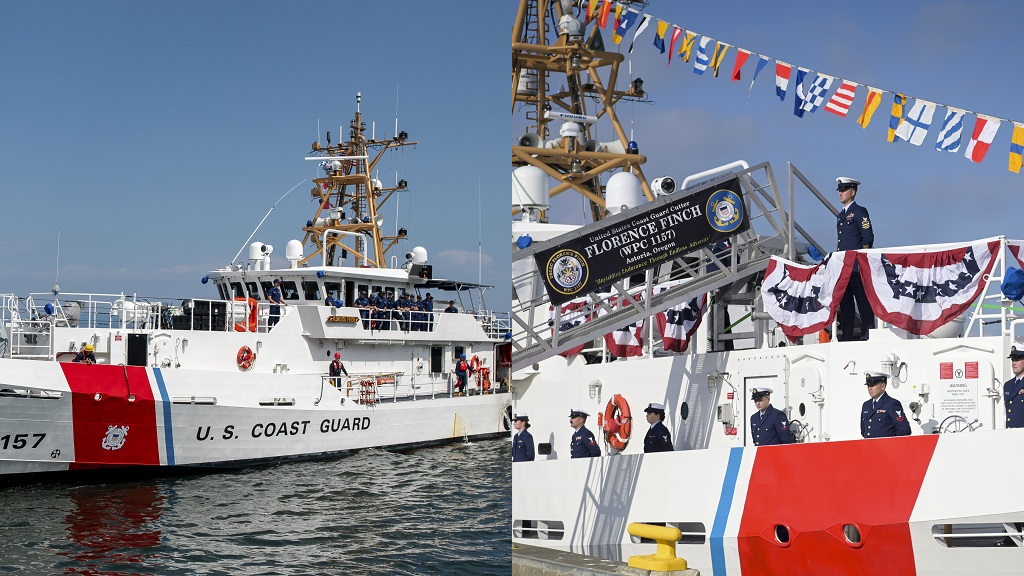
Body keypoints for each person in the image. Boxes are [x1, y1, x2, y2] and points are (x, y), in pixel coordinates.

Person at [835, 177, 875, 342]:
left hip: (857, 266)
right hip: (844, 266)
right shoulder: (840, 216)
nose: (841, 193)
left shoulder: (859, 212)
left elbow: (868, 237)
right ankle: (847, 335)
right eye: (840, 190)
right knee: (845, 304)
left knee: (862, 301)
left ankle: (868, 334)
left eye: (844, 190)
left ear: (853, 191)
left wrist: (860, 258)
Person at [861, 371, 911, 438]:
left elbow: (904, 430)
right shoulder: (866, 405)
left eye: (872, 384)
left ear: (883, 386)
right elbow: (864, 431)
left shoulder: (892, 404)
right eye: (868, 385)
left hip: (886, 447)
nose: (869, 388)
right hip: (870, 447)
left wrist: (891, 445)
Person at [1004, 346, 1024, 428]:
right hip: (1011, 434)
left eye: (1017, 360)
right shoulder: (1008, 385)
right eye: (1012, 360)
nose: (1013, 363)